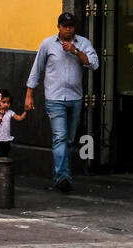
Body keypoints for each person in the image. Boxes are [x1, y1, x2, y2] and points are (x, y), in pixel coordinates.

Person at [25, 13, 99, 194]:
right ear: (58, 26)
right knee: (60, 137)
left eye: (71, 26)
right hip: (55, 98)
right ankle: (62, 177)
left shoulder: (83, 43)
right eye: (65, 26)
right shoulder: (47, 44)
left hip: (75, 98)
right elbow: (37, 69)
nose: (68, 29)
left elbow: (93, 64)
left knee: (69, 139)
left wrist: (75, 51)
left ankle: (61, 174)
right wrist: (29, 94)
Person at [0, 91, 29, 162]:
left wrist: (26, 111)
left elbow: (19, 118)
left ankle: (3, 172)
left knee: (5, 159)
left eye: (8, 102)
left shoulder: (10, 112)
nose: (6, 104)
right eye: (4, 102)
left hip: (6, 140)